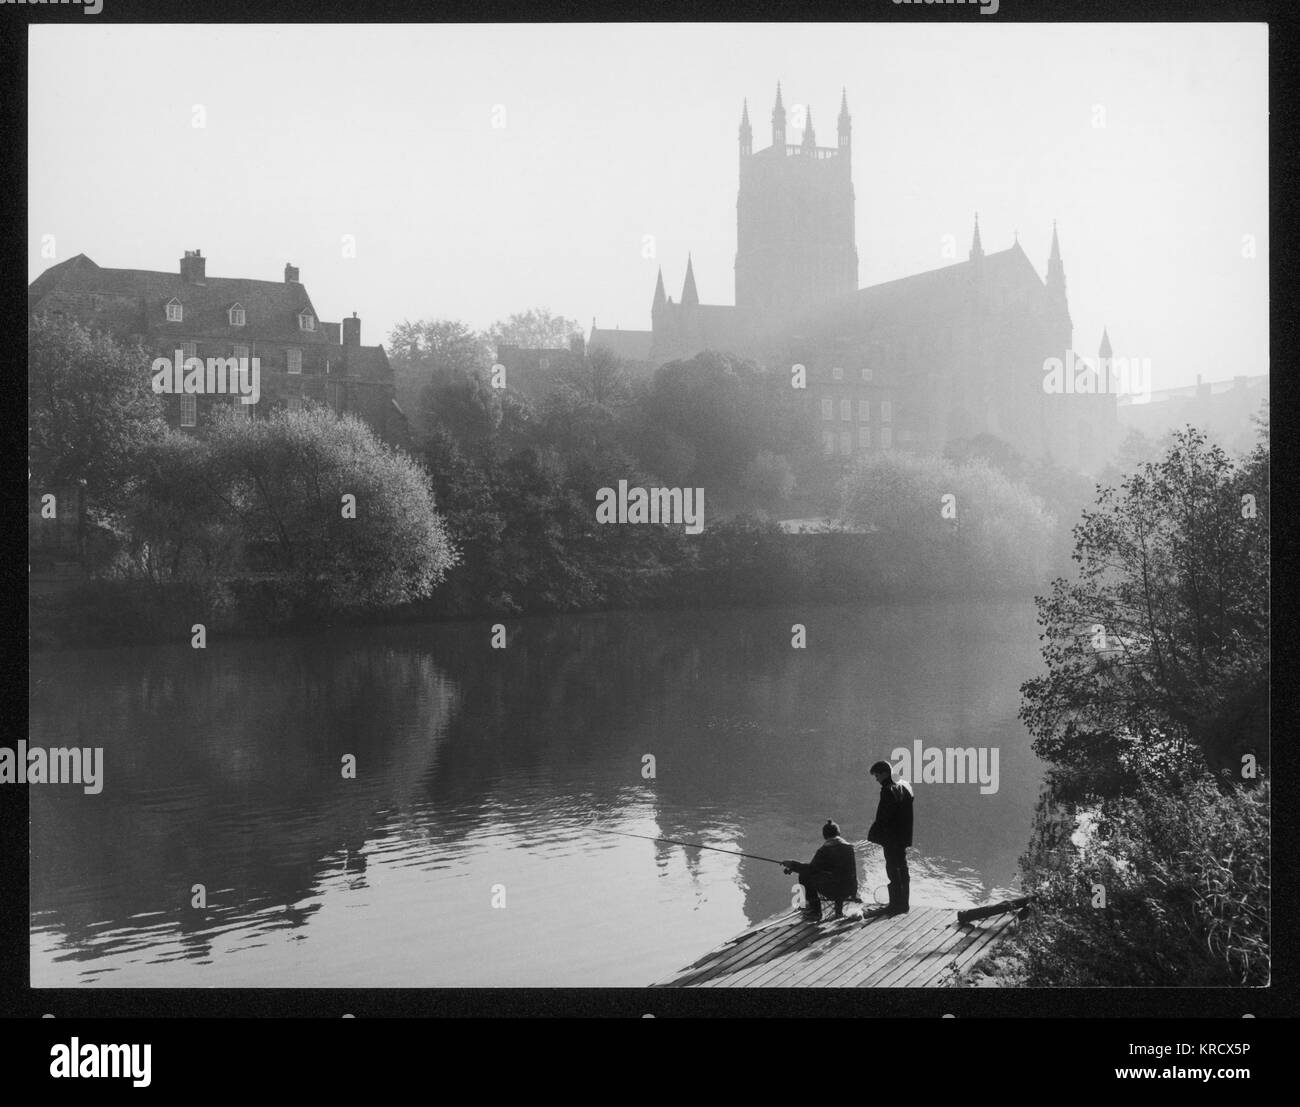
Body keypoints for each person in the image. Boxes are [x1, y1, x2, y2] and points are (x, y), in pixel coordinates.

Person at [782, 820, 860, 920]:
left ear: (824, 835)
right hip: (850, 889)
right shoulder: (849, 848)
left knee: (804, 875)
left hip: (835, 890)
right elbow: (842, 872)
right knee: (839, 876)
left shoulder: (824, 850)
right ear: (838, 833)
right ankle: (838, 912)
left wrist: (792, 864)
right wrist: (794, 867)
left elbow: (810, 870)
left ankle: (815, 911)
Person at [866, 760, 914, 915]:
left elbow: (884, 818)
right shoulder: (904, 786)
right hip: (902, 837)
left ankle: (895, 905)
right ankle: (903, 904)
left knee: (893, 869)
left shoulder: (887, 790)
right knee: (902, 868)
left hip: (891, 839)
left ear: (885, 773)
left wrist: (874, 833)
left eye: (877, 775)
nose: (876, 779)